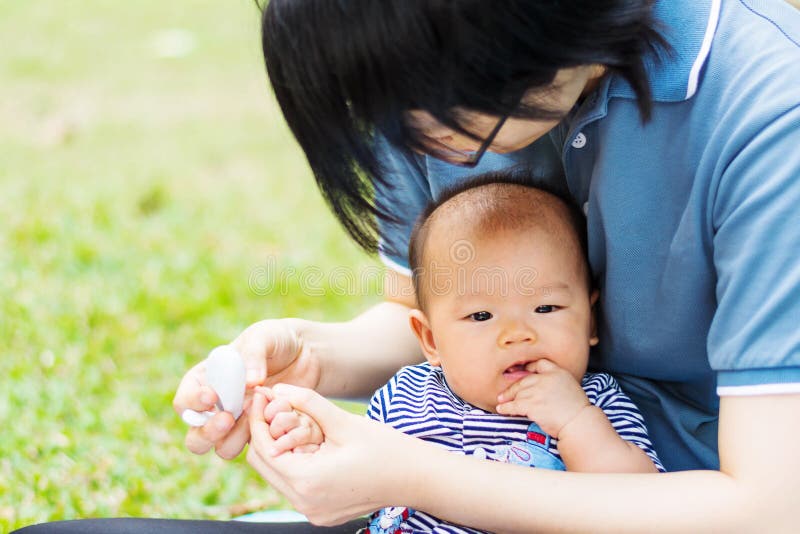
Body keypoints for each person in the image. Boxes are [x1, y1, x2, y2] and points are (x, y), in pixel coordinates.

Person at [16, 0, 800, 532]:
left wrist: (412, 477)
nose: (394, 137)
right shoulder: (405, 67)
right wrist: (310, 358)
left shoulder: (769, 116)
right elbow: (418, 321)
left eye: (415, 109)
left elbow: (770, 509)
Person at [262, 178, 663, 533]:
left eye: (546, 308)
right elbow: (355, 468)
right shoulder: (406, 394)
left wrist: (576, 422)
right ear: (431, 340)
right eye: (481, 315)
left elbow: (639, 503)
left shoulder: (597, 401)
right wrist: (312, 438)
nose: (517, 334)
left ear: (591, 322)